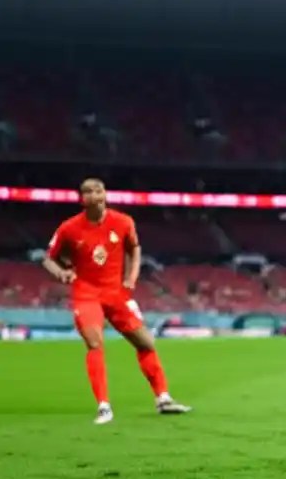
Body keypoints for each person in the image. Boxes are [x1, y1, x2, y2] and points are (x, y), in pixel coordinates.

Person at [43, 178, 192, 424]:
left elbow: (134, 248)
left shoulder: (123, 222)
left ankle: (163, 399)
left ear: (105, 194)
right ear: (82, 199)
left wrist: (131, 277)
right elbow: (48, 258)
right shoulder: (69, 228)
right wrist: (60, 272)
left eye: (98, 190)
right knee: (94, 342)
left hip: (116, 294)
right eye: (88, 192)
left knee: (146, 343)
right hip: (86, 294)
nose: (94, 195)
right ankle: (104, 406)